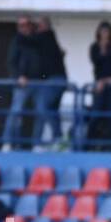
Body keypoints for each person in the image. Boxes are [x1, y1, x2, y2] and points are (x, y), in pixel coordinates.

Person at [0, 16, 44, 151]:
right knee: (16, 110)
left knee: (41, 111)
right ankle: (7, 142)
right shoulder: (16, 41)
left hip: (39, 82)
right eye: (21, 25)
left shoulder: (38, 40)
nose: (24, 27)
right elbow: (11, 62)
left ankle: (36, 143)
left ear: (31, 26)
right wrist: (18, 77)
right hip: (22, 82)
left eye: (27, 24)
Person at [88, 21, 111, 149]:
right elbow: (95, 61)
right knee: (96, 113)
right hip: (100, 83)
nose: (105, 34)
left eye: (107, 32)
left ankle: (108, 144)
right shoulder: (94, 46)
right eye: (102, 32)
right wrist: (103, 49)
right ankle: (89, 143)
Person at [35, 17, 67, 148]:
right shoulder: (49, 39)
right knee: (52, 110)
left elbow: (27, 40)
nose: (38, 28)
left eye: (39, 25)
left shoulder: (46, 36)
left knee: (42, 108)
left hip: (55, 80)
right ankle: (43, 140)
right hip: (56, 80)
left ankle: (58, 136)